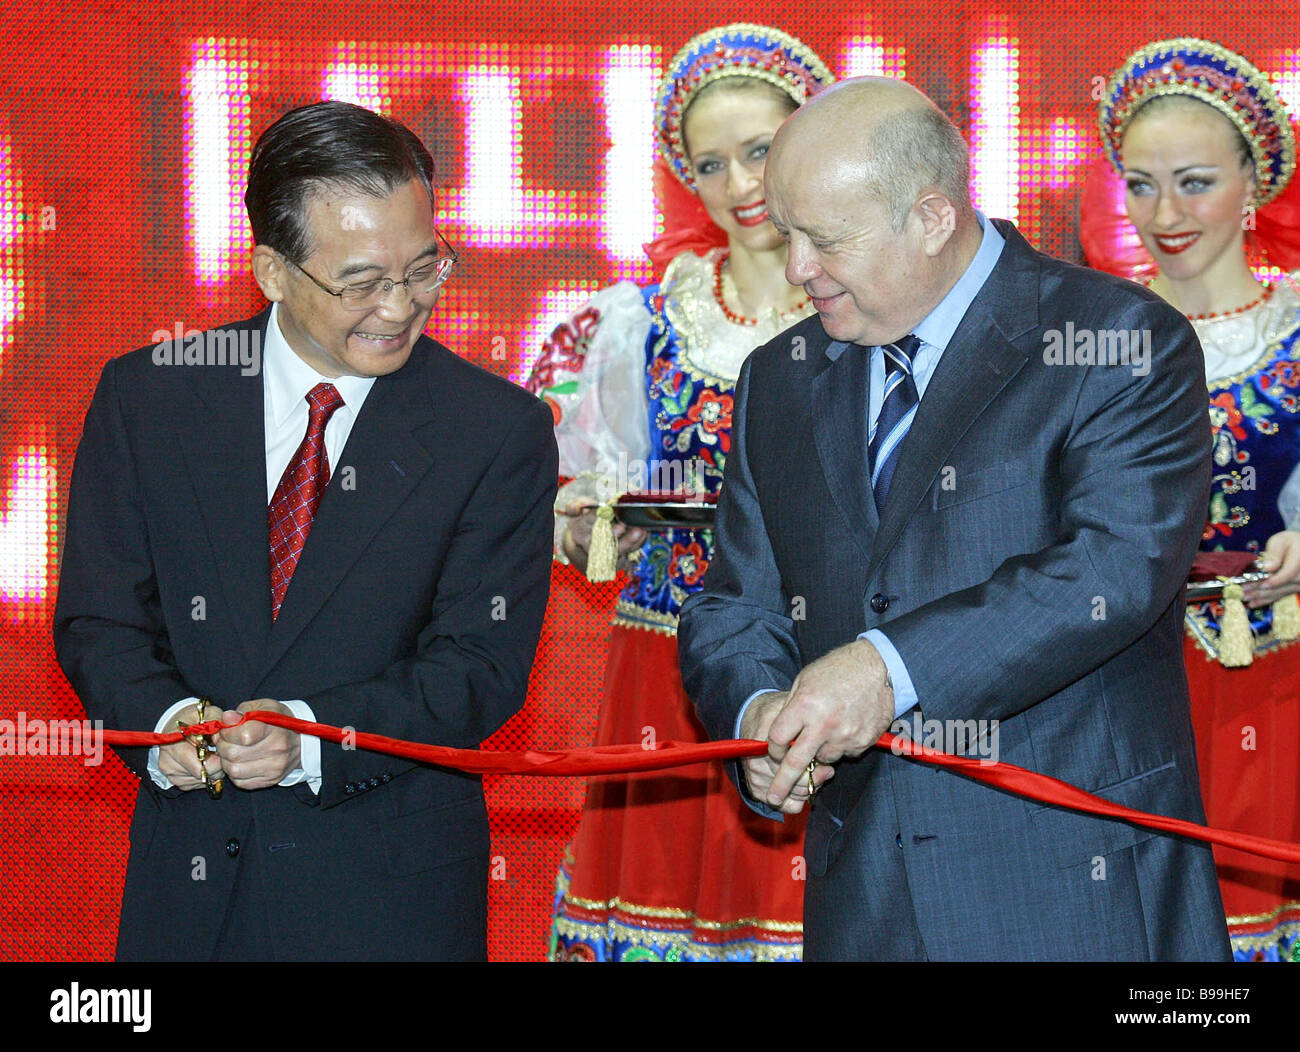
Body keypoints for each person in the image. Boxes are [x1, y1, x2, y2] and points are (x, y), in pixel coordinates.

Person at [677, 75, 1232, 962]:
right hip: (867, 902)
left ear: (933, 217)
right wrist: (761, 713)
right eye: (788, 236)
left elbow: (1113, 572)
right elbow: (735, 603)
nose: (796, 270)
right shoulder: (778, 378)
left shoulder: (1116, 339)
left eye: (825, 239)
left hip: (1072, 888)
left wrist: (884, 671)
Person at [53, 100, 557, 961]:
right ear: (274, 272)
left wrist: (307, 734)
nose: (400, 307)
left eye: (424, 266)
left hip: (390, 896)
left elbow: (480, 667)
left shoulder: (494, 429)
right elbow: (100, 620)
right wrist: (172, 725)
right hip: (193, 888)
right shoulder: (152, 397)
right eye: (361, 282)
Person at [529, 23, 833, 961]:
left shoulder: (866, 307)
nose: (742, 186)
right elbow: (581, 494)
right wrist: (580, 517)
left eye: (763, 153)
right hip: (665, 661)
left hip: (824, 666)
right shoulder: (643, 322)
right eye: (713, 164)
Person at [1087, 37, 1300, 961]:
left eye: (1194, 182)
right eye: (1139, 185)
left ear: (1255, 186)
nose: (1163, 214)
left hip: (1283, 684)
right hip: (1130, 688)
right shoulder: (1088, 338)